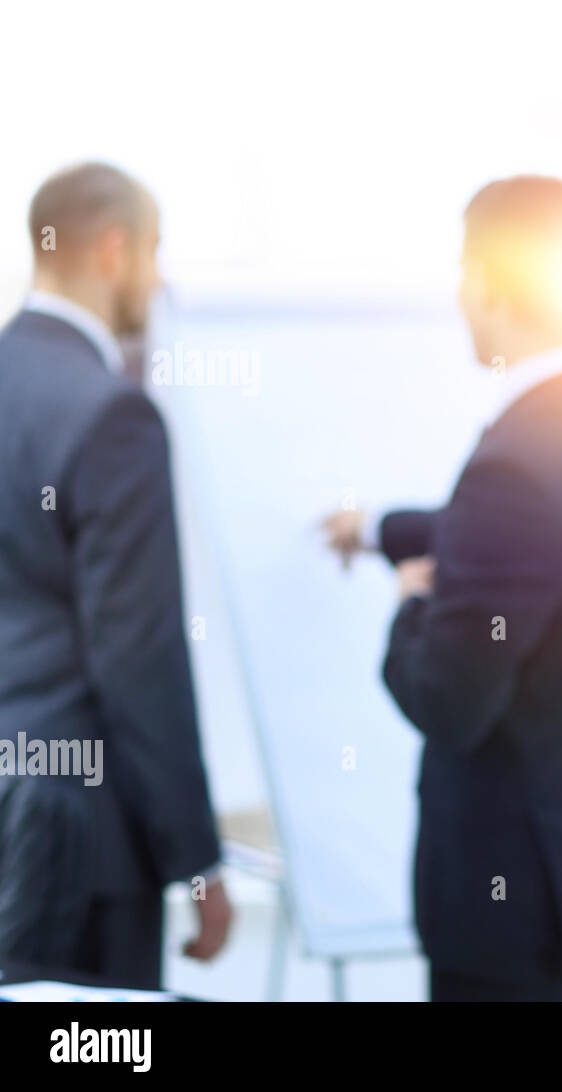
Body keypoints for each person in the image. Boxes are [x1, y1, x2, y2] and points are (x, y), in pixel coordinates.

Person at [324, 175, 562, 1001]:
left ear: (484, 280)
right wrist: (377, 528)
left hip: (500, 904)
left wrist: (411, 599)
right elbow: (531, 547)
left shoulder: (514, 459)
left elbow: (448, 700)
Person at [0, 162, 231, 989]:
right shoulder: (113, 414)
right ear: (112, 248)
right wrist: (195, 860)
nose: (158, 278)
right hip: (81, 839)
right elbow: (138, 658)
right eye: (155, 252)